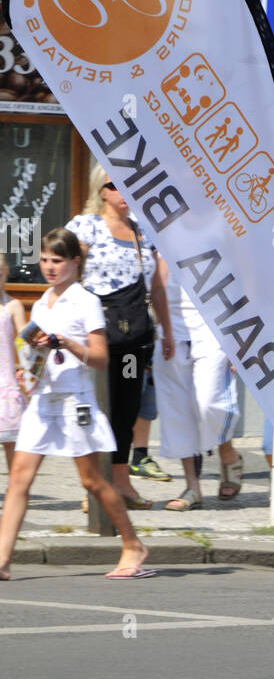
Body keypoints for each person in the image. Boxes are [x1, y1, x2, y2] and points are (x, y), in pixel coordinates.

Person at [0, 229, 153, 581]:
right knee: (19, 479)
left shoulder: (86, 300)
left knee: (92, 481)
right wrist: (32, 359)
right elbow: (34, 352)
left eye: (58, 260)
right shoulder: (40, 303)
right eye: (45, 260)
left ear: (75, 262)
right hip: (42, 399)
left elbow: (100, 359)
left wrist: (67, 343)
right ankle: (3, 560)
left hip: (74, 401)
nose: (50, 267)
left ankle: (132, 543)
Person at [67, 164, 174, 509]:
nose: (123, 192)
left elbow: (156, 287)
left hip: (131, 343)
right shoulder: (85, 226)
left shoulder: (143, 231)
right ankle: (93, 488)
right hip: (96, 337)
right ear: (101, 190)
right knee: (97, 408)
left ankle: (122, 483)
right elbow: (67, 273)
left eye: (129, 185)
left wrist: (167, 330)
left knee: (126, 407)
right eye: (115, 186)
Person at [151, 261, 242, 510]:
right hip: (171, 332)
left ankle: (227, 452)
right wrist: (164, 331)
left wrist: (237, 340)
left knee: (210, 402)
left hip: (213, 330)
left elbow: (239, 283)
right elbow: (156, 287)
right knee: (178, 413)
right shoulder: (160, 230)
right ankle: (193, 487)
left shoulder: (219, 229)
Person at [0, 254, 26, 471]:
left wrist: (28, 368)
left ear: (5, 273)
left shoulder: (13, 306)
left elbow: (25, 341)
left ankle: (15, 489)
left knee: (11, 442)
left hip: (6, 382)